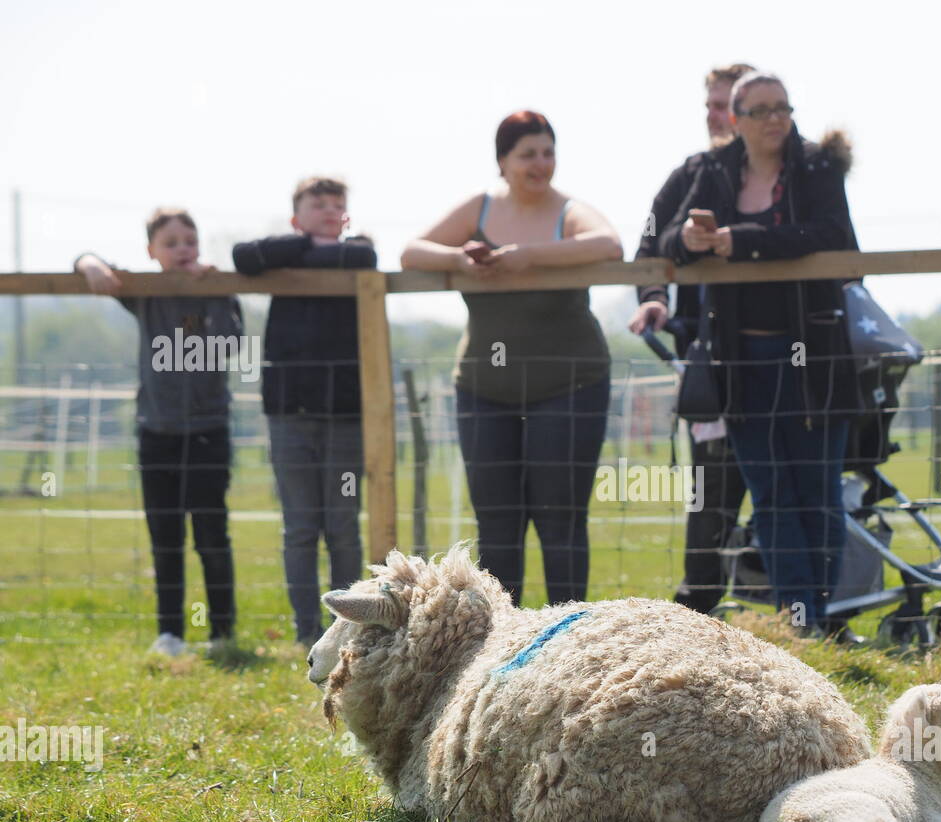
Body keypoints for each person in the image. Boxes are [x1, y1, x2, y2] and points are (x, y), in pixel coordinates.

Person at [656, 72, 865, 642]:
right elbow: (664, 236)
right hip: (739, 358)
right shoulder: (712, 171)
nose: (776, 119)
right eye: (762, 109)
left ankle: (820, 617)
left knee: (818, 492)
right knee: (771, 495)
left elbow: (833, 236)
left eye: (783, 108)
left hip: (814, 356)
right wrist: (694, 242)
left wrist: (739, 241)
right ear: (736, 120)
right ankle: (798, 622)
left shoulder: (818, 167)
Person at [401, 112, 622, 606]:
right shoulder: (477, 208)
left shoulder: (570, 210)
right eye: (527, 154)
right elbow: (412, 251)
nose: (540, 163)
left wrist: (529, 256)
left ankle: (568, 637)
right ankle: (504, 642)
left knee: (560, 516)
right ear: (503, 161)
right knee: (497, 519)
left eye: (548, 152)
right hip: (483, 391)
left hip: (570, 386)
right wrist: (458, 259)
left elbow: (609, 243)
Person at [74, 209, 240, 656]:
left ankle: (221, 632)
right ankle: (170, 633)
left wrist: (215, 291)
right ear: (152, 251)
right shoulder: (143, 293)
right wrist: (89, 262)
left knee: (211, 536)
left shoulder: (217, 289)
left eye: (189, 240)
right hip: (156, 432)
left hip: (208, 431)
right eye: (171, 242)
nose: (182, 248)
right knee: (165, 537)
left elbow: (229, 345)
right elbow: (87, 259)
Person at [629, 63, 753, 616]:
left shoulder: (793, 174)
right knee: (711, 496)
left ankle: (814, 614)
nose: (715, 116)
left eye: (725, 104)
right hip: (711, 368)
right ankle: (697, 613)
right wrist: (655, 296)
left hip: (787, 362)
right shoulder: (692, 174)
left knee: (791, 490)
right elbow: (651, 245)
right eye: (710, 105)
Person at [233, 177, 378, 645]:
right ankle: (304, 632)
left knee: (342, 524)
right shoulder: (280, 253)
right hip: (288, 412)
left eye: (338, 204)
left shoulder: (354, 253)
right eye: (318, 204)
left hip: (346, 415)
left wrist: (297, 252)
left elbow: (364, 257)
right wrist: (303, 245)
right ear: (296, 218)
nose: (330, 210)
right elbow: (243, 256)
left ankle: (346, 627)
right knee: (299, 527)